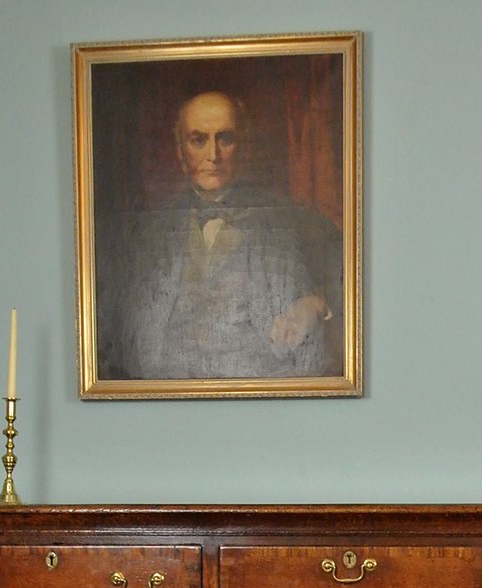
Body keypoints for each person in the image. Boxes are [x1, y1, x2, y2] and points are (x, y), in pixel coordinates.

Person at [97, 90, 341, 381]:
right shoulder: (145, 232)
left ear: (244, 146)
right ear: (180, 151)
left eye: (225, 138)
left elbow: (350, 288)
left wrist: (315, 305)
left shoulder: (291, 221)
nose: (213, 155)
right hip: (164, 400)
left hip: (264, 397)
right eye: (198, 140)